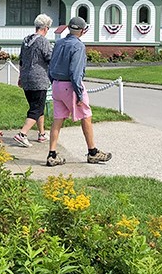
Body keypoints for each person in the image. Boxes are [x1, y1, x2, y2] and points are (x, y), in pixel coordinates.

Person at [46, 16, 112, 167]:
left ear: (69, 28)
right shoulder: (78, 46)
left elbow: (51, 66)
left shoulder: (59, 43)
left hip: (56, 85)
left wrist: (53, 82)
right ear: (82, 31)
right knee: (86, 116)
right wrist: (79, 93)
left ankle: (52, 154)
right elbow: (75, 71)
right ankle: (92, 152)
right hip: (71, 85)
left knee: (58, 120)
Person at [13, 14, 53, 148]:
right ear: (46, 28)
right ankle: (22, 134)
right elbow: (50, 58)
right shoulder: (43, 41)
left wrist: (20, 77)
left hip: (26, 77)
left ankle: (42, 134)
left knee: (35, 106)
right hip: (39, 79)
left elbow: (21, 60)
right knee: (37, 107)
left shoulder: (25, 40)